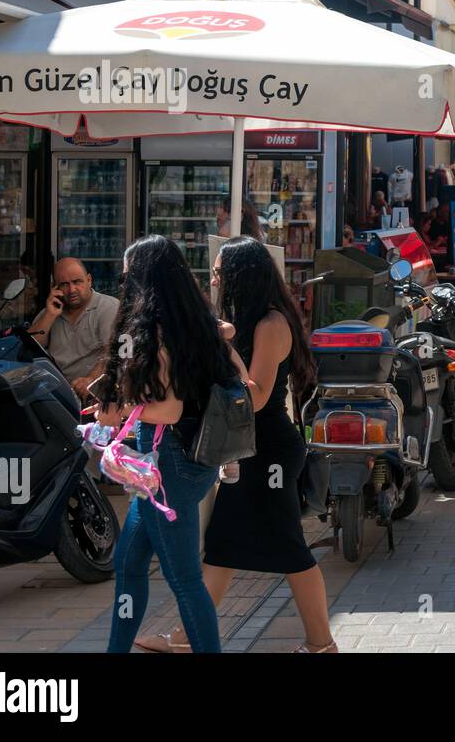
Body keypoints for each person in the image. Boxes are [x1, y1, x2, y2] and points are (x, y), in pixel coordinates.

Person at [135, 237, 335, 654]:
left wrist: (223, 352)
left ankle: (322, 644)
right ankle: (188, 636)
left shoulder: (270, 324)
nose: (212, 278)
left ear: (241, 276)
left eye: (219, 272)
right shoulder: (244, 319)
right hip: (249, 450)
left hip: (271, 452)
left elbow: (257, 397)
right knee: (223, 544)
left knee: (289, 548)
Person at [100, 235, 244, 654]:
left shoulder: (159, 332)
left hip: (168, 468)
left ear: (145, 281)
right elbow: (238, 370)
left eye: (129, 279)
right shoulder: (197, 322)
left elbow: (168, 410)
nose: (125, 287)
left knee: (184, 579)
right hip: (182, 464)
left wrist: (120, 412)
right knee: (128, 565)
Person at [27, 257, 120, 401]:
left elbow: (114, 352)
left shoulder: (108, 307)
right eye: (64, 284)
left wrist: (90, 379)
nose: (72, 290)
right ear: (55, 287)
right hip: (56, 396)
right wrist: (50, 315)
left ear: (89, 280)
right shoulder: (50, 313)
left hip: (96, 397)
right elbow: (28, 349)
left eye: (77, 282)